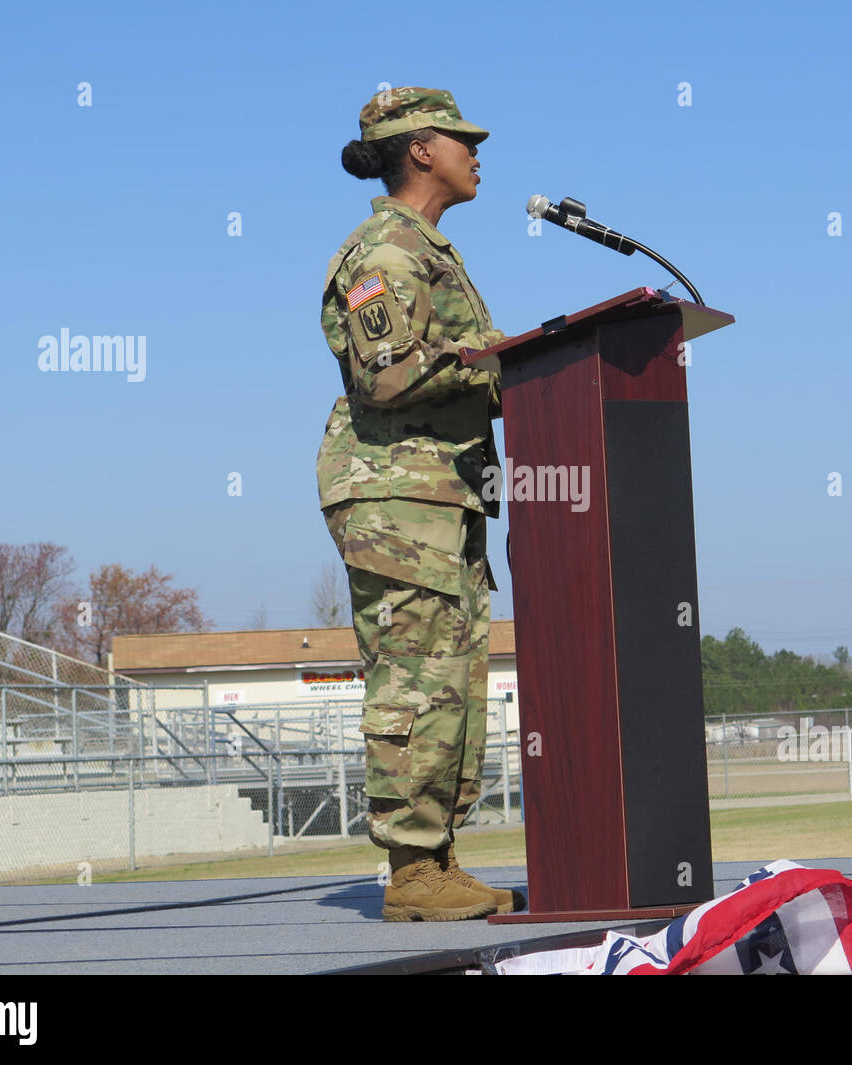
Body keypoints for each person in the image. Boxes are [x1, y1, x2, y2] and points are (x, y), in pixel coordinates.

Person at [317, 87, 523, 921]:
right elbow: (388, 372)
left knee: (450, 679)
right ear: (419, 149)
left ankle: (432, 861)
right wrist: (504, 358)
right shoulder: (387, 252)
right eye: (462, 139)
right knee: (416, 679)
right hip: (398, 500)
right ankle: (410, 870)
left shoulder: (428, 250)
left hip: (441, 499)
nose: (479, 152)